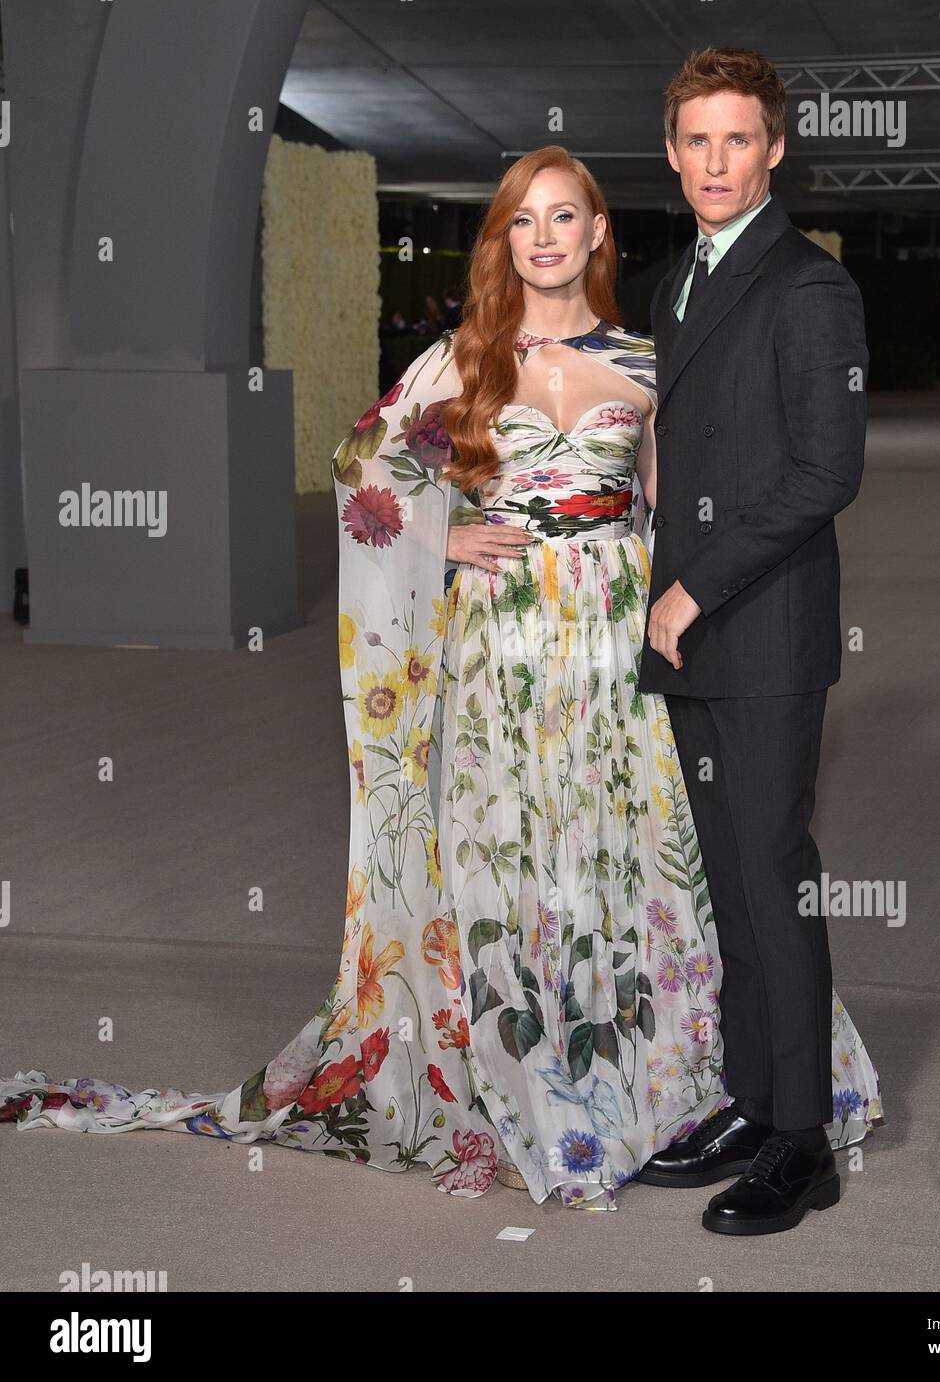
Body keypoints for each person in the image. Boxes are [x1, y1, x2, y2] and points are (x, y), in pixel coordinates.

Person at [1, 146, 881, 1213]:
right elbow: (360, 467)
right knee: (503, 855)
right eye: (524, 221)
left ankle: (685, 1078)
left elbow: (676, 508)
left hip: (613, 647)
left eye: (566, 217)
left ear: (599, 233)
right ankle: (532, 1082)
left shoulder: (653, 364)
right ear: (503, 241)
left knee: (633, 850)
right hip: (500, 652)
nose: (546, 238)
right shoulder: (461, 361)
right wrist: (443, 532)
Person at [635, 47, 879, 1236]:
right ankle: (750, 1097)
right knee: (729, 879)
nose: (716, 162)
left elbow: (825, 472)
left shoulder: (811, 286)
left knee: (777, 878)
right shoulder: (677, 277)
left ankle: (806, 1139)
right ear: (673, 151)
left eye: (739, 140)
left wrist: (690, 589)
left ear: (775, 148)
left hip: (763, 633)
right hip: (690, 637)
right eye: (696, 141)